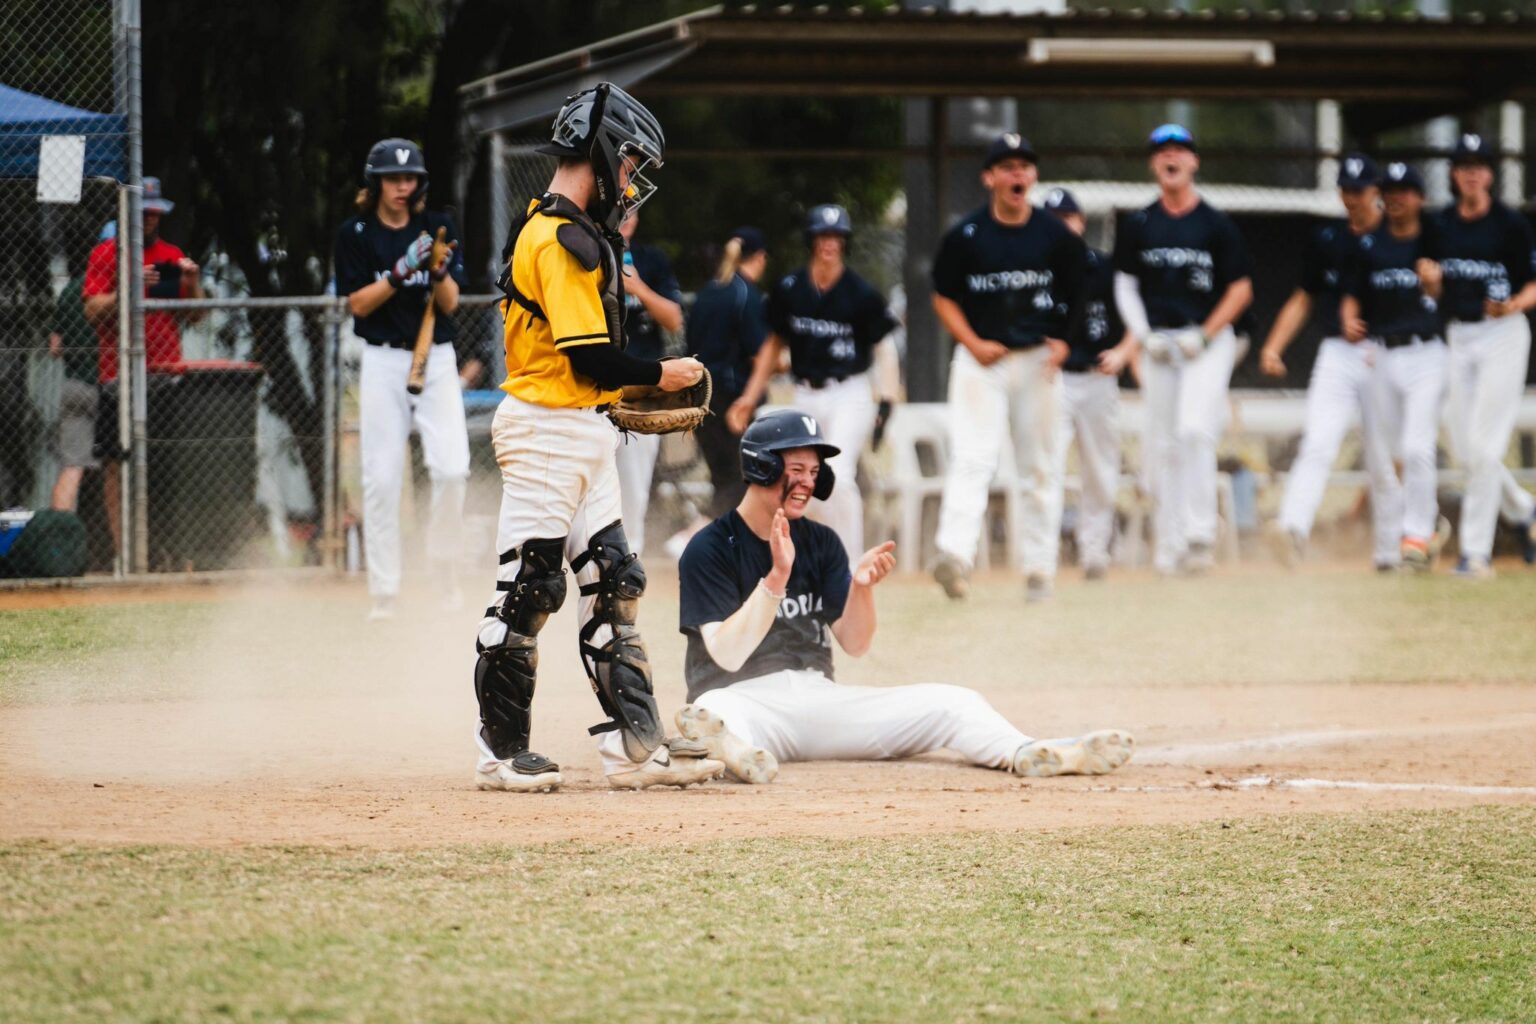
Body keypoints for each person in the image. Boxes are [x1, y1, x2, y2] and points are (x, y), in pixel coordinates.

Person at [473, 82, 722, 794]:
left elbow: (589, 370)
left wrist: (627, 389)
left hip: (583, 426)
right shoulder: (558, 238)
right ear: (604, 149)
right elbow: (588, 356)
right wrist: (661, 373)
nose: (631, 180)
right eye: (629, 162)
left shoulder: (573, 232)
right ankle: (500, 752)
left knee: (615, 583)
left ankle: (634, 748)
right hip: (545, 428)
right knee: (528, 588)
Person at [670, 409, 1135, 783]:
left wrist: (863, 590)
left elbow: (856, 643)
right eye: (796, 469)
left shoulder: (821, 542)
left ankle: (1025, 751)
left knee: (954, 701)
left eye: (814, 471)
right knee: (713, 713)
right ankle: (734, 751)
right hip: (746, 701)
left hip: (818, 698)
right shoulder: (710, 547)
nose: (809, 482)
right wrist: (776, 578)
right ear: (761, 466)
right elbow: (726, 656)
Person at [927, 135, 1086, 603]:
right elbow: (943, 296)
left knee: (1040, 466)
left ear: (1032, 177)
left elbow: (1079, 289)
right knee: (973, 458)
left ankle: (1040, 571)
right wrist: (972, 342)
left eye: (1024, 167)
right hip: (983, 360)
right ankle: (954, 558)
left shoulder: (1054, 235)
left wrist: (1065, 341)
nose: (1017, 175)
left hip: (1036, 360)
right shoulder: (967, 235)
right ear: (990, 177)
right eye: (1007, 167)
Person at [334, 138, 471, 621]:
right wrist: (399, 272)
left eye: (409, 178)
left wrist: (435, 271)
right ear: (375, 183)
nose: (402, 186)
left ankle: (443, 566)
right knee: (382, 478)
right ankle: (385, 593)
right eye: (393, 178)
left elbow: (451, 302)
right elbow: (357, 304)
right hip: (383, 360)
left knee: (453, 470)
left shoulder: (437, 226)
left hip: (434, 357)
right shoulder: (355, 233)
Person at [1112, 124, 1253, 577]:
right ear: (1153, 164)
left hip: (1205, 343)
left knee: (1194, 430)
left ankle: (1199, 538)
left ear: (1193, 162)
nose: (1170, 158)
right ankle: (1169, 546)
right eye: (1161, 152)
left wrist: (1206, 335)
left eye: (1179, 151)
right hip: (1161, 344)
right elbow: (1125, 286)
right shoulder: (1139, 224)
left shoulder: (1215, 224)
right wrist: (1142, 333)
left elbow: (1240, 291)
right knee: (1164, 445)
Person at [726, 204, 901, 564]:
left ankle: (849, 567)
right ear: (811, 240)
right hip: (804, 392)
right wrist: (750, 395)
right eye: (823, 236)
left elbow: (884, 349)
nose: (829, 244)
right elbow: (773, 344)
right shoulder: (791, 288)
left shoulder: (860, 293)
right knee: (796, 477)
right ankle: (806, 557)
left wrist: (886, 400)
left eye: (836, 237)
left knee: (837, 474)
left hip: (849, 391)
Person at [1260, 155, 1403, 571]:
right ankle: (1292, 530)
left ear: (1376, 191)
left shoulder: (1400, 237)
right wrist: (1273, 346)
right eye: (1345, 190)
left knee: (1382, 455)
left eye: (1359, 190)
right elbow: (1304, 296)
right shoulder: (1328, 240)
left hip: (1387, 351)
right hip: (1338, 353)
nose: (1351, 198)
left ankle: (1392, 549)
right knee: (1319, 443)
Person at [1420, 133, 1536, 578]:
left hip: (1502, 333)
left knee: (1486, 448)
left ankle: (1475, 554)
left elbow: (1530, 284)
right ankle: (1524, 511)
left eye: (1479, 165)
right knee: (1463, 445)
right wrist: (1429, 281)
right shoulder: (1442, 224)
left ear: (1490, 174)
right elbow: (1433, 286)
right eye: (1464, 164)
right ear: (1453, 173)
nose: (1472, 173)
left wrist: (1514, 305)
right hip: (1460, 333)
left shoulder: (1510, 225)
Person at [81, 177, 205, 554]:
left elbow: (195, 317)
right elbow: (91, 310)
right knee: (115, 463)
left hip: (164, 373)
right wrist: (128, 289)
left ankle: (164, 548)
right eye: (143, 213)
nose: (150, 220)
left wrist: (192, 282)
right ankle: (125, 551)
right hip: (117, 375)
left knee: (165, 466)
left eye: (155, 214)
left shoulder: (171, 254)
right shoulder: (106, 254)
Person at [1341, 162, 1448, 574]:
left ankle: (1417, 535)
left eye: (1407, 190)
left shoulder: (1435, 238)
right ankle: (1413, 531)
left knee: (1418, 448)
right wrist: (1350, 321)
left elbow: (1449, 298)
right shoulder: (1371, 245)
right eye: (1391, 190)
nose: (1398, 197)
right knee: (1388, 454)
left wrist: (1434, 284)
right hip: (1383, 353)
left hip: (1427, 352)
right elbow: (1352, 296)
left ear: (1420, 197)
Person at [665, 226, 771, 557]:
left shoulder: (708, 292)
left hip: (699, 394)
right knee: (743, 479)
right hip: (733, 399)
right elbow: (759, 355)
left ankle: (718, 551)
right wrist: (780, 361)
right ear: (760, 258)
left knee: (723, 476)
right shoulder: (746, 294)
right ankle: (690, 539)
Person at [1042, 186, 1127, 581]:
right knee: (1048, 465)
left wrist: (1124, 351)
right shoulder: (1038, 274)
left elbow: (1135, 319)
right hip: (1053, 380)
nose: (1060, 228)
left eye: (1066, 220)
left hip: (1096, 378)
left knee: (1100, 469)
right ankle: (1043, 553)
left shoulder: (1105, 269)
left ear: (1080, 223)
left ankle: (1094, 551)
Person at [611, 209, 683, 557]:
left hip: (641, 386)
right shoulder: (587, 251)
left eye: (632, 210)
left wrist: (637, 285)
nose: (625, 216)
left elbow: (673, 318)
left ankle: (629, 559)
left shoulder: (651, 260)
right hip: (595, 381)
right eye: (619, 208)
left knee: (635, 485)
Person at [48, 254, 104, 512]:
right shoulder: (117, 287)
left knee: (72, 467)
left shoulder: (70, 289)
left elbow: (55, 347)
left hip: (74, 386)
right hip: (108, 388)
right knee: (120, 466)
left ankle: (58, 539)